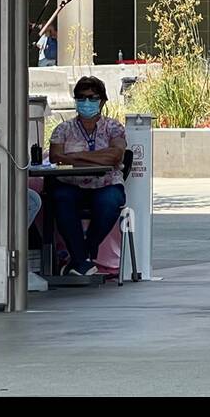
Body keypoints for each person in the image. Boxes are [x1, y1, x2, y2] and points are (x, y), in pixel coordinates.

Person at [47, 76, 127, 276]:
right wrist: (99, 157)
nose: (87, 102)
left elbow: (115, 156)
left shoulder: (113, 127)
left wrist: (76, 156)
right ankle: (82, 259)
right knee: (60, 198)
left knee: (110, 202)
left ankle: (83, 254)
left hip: (105, 184)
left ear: (102, 100)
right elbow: (57, 157)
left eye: (92, 97)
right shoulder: (63, 129)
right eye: (81, 98)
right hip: (71, 185)